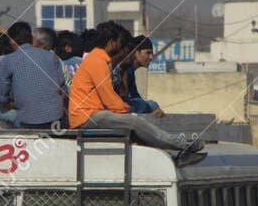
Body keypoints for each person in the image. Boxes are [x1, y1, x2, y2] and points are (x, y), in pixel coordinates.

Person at [69, 21, 205, 164]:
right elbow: (108, 95)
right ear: (112, 42)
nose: (122, 48)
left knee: (136, 124)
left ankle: (170, 154)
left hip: (92, 114)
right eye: (120, 43)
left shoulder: (98, 59)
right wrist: (126, 110)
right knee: (134, 121)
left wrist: (124, 110)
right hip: (87, 117)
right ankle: (182, 145)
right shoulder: (97, 61)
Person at [0, 22, 66, 129]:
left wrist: (7, 103)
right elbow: (61, 84)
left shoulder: (8, 60)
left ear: (12, 41)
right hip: (56, 116)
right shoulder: (51, 56)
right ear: (31, 38)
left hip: (27, 119)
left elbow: (1, 92)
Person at [114, 36, 163, 115]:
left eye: (152, 53)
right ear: (136, 52)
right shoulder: (125, 70)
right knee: (148, 104)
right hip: (121, 108)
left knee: (151, 104)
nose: (151, 57)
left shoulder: (131, 71)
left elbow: (134, 95)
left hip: (129, 106)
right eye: (148, 53)